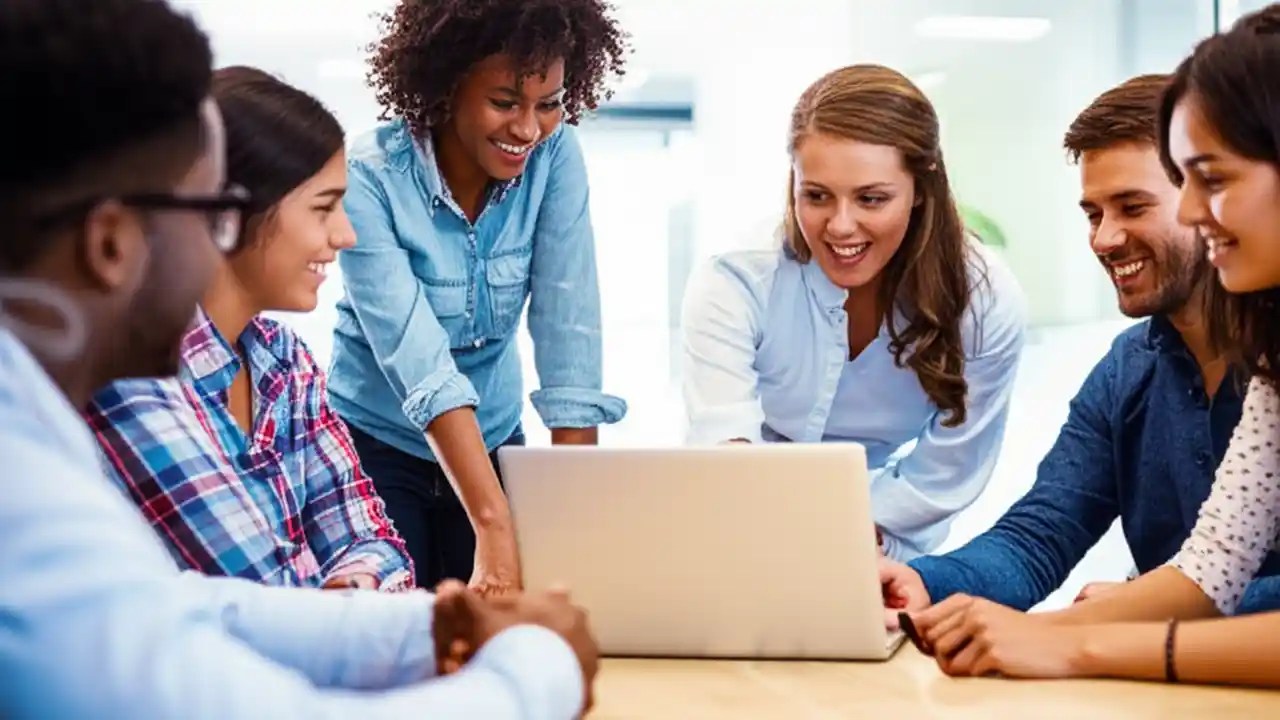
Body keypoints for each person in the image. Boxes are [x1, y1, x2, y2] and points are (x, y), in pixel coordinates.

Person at [0, 1, 597, 717]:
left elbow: (194, 606)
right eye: (211, 212)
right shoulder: (35, 473)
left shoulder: (41, 418)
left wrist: (435, 627)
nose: (219, 245)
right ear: (111, 244)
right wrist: (540, 667)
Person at [904, 5, 1280, 689]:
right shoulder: (1145, 370)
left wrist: (1099, 632)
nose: (1104, 238)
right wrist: (924, 586)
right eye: (1093, 214)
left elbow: (1208, 591)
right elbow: (1205, 572)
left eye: (1214, 180)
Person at [329, 0, 629, 593]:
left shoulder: (555, 156)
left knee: (507, 618)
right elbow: (419, 363)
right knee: (401, 625)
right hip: (377, 445)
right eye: (505, 102)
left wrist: (573, 520)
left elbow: (569, 327)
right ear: (447, 87)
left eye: (549, 104)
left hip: (494, 437)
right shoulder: (369, 177)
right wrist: (492, 522)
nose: (528, 129)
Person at [85, 66, 412, 591]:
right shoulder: (140, 373)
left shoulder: (285, 361)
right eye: (323, 208)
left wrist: (352, 592)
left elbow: (375, 543)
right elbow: (266, 589)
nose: (345, 234)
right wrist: (348, 608)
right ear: (230, 213)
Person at [680, 64, 1026, 560]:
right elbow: (723, 445)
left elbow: (949, 470)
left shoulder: (984, 299)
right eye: (817, 196)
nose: (841, 226)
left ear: (921, 189)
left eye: (871, 199)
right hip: (744, 518)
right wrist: (776, 535)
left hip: (880, 535)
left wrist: (848, 532)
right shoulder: (735, 279)